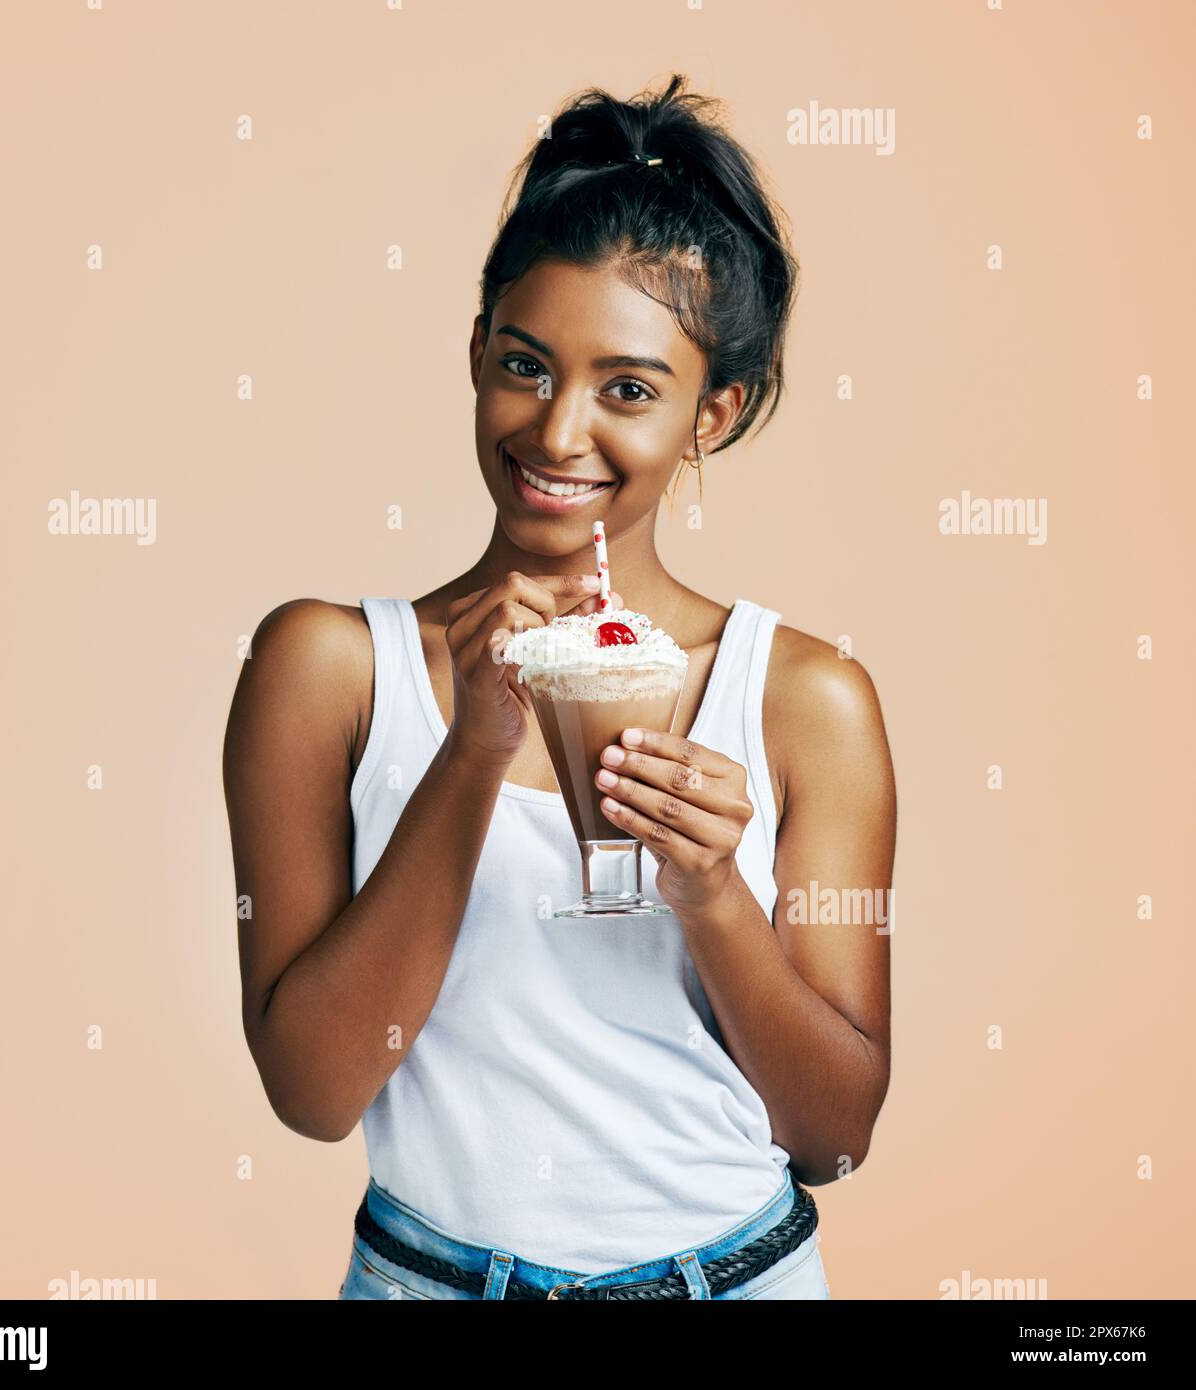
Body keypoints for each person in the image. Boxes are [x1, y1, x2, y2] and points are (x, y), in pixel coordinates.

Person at [223, 73, 895, 1302]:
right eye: (526, 365)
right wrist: (472, 752)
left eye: (629, 389)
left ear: (715, 411)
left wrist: (712, 899)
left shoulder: (804, 699)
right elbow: (315, 1093)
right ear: (476, 351)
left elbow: (833, 1137)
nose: (557, 431)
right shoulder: (326, 667)